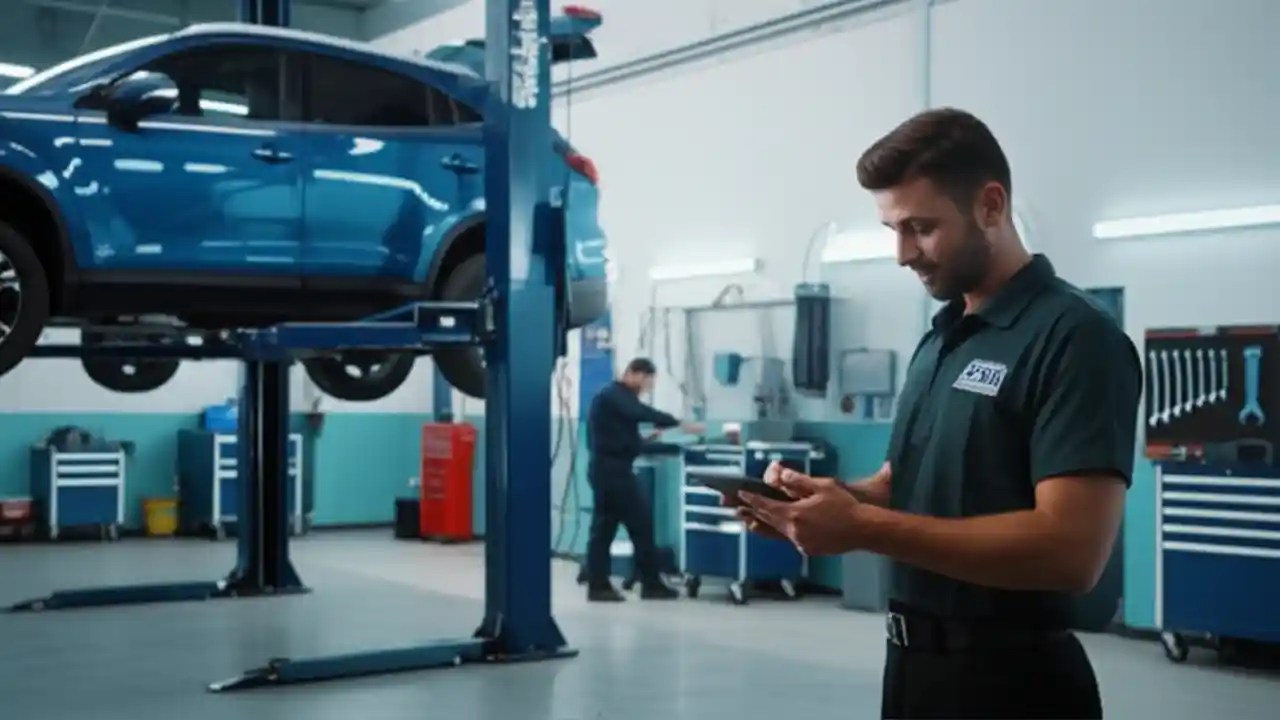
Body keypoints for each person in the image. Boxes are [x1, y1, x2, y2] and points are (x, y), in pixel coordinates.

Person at [731, 108, 1141, 719]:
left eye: (920, 228)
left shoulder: (1076, 340)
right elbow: (907, 485)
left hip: (1015, 688)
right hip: (914, 675)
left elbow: (1070, 550)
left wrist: (863, 529)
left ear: (991, 206)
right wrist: (828, 502)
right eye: (892, 229)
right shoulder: (942, 339)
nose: (902, 254)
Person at [585, 357, 705, 602]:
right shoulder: (613, 395)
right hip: (614, 473)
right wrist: (679, 423)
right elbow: (639, 412)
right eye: (647, 382)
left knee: (604, 529)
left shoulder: (614, 399)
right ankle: (650, 584)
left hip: (608, 470)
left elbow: (622, 439)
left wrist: (648, 442)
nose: (646, 388)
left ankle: (599, 584)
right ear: (635, 374)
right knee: (640, 525)